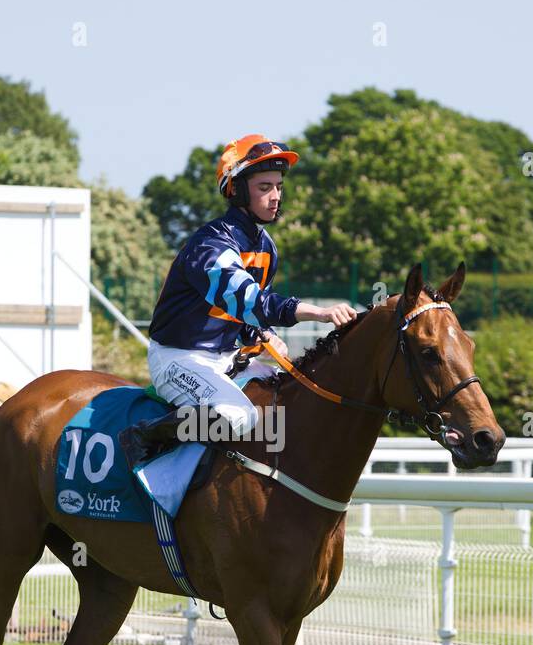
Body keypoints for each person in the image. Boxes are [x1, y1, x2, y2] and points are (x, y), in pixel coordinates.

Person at [119, 134, 358, 467]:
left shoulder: (266, 247)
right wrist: (317, 313)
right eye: (264, 187)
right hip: (179, 359)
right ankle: (146, 436)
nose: (275, 197)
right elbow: (249, 301)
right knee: (238, 417)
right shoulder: (210, 245)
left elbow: (244, 318)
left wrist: (260, 335)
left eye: (278, 186)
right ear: (236, 190)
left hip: (228, 358)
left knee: (289, 404)